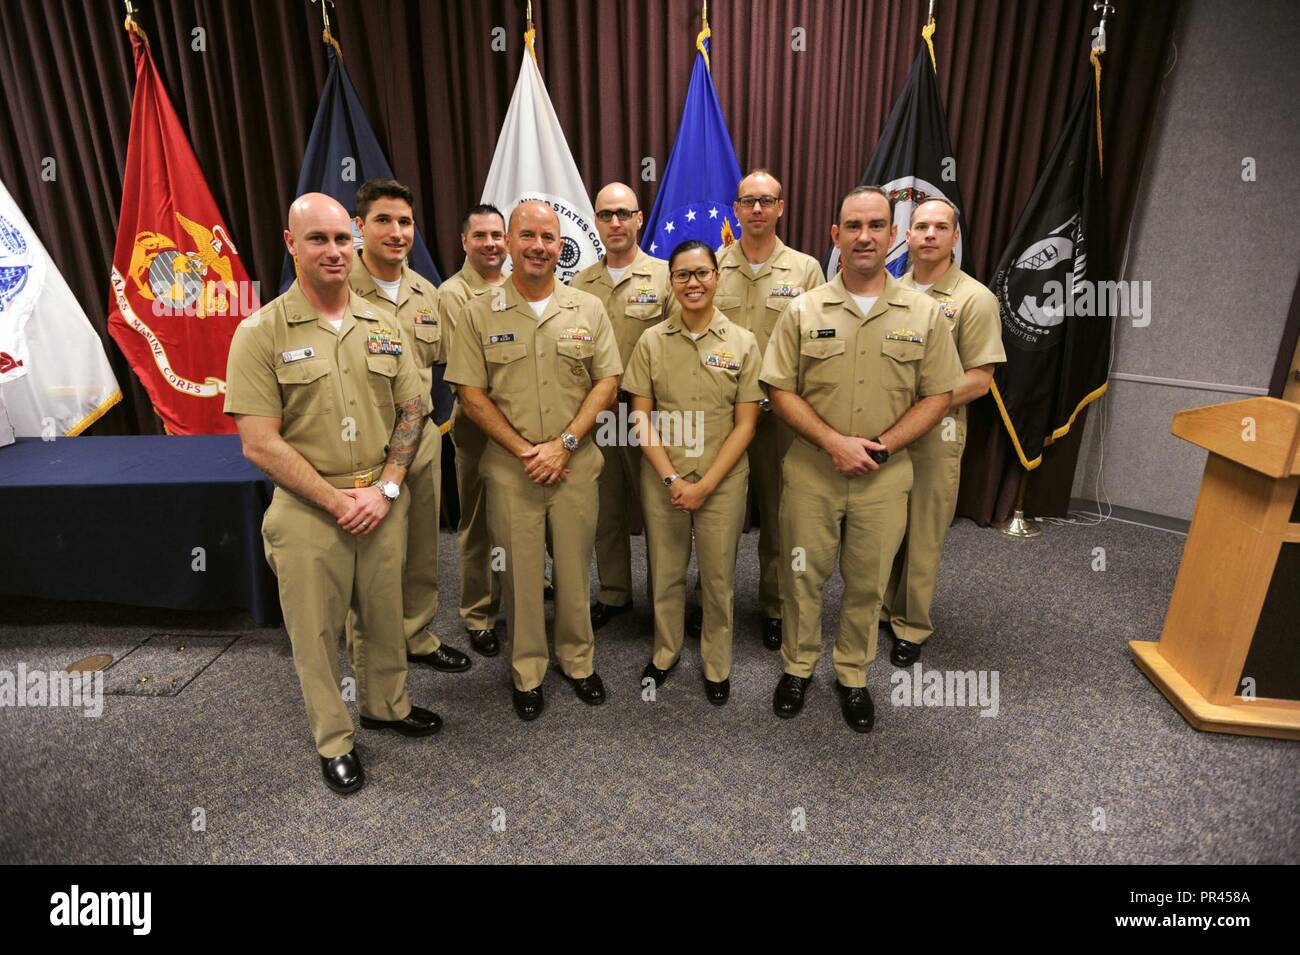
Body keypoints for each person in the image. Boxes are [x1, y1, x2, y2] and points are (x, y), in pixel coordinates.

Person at [226, 193, 441, 795]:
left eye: (342, 239)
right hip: (307, 512)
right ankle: (335, 739)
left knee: (381, 617)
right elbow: (259, 444)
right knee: (316, 633)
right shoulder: (260, 332)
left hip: (378, 500)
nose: (334, 251)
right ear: (290, 244)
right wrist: (336, 501)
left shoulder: (386, 326)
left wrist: (388, 486)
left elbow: (411, 411)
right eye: (317, 239)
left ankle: (387, 705)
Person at [760, 186, 964, 733]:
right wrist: (833, 441)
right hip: (812, 472)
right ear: (836, 236)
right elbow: (778, 389)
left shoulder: (924, 314)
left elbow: (939, 395)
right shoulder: (803, 310)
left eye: (876, 225)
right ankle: (799, 667)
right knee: (801, 577)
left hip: (885, 473)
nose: (865, 236)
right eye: (853, 226)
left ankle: (852, 674)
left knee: (868, 583)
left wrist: (884, 444)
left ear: (892, 235)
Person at [445, 201, 621, 721]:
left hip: (574, 464)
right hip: (511, 469)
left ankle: (578, 660)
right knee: (519, 575)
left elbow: (607, 382)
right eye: (527, 236)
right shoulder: (479, 311)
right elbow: (469, 393)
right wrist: (526, 450)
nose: (538, 246)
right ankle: (527, 669)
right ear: (510, 242)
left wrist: (563, 444)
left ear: (559, 243)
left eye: (548, 237)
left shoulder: (587, 308)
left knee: (573, 568)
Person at [623, 240, 761, 704]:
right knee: (665, 570)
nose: (693, 283)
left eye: (701, 272)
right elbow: (639, 417)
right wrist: (672, 479)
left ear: (717, 277)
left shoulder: (743, 342)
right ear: (672, 282)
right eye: (682, 274)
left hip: (721, 480)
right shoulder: (650, 341)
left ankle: (716, 662)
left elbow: (746, 424)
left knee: (718, 577)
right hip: (664, 476)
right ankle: (665, 651)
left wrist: (704, 485)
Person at [347, 178, 471, 673]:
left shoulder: (426, 293)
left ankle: (417, 634)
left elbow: (447, 364)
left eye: (405, 222)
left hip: (418, 447)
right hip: (362, 452)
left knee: (422, 552)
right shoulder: (337, 288)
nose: (397, 232)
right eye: (384, 220)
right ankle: (376, 655)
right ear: (359, 227)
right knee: (374, 563)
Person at [884, 197, 1007, 666]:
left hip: (937, 435)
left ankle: (911, 625)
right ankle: (880, 610)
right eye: (921, 227)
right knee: (885, 527)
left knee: (923, 532)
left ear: (956, 237)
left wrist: (922, 406)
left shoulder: (974, 298)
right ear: (907, 237)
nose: (930, 234)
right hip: (888, 430)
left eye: (941, 227)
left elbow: (980, 379)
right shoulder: (892, 291)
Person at [712, 169, 825, 650]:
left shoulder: (806, 269)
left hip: (782, 417)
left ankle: (775, 605)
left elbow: (819, 344)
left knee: (782, 518)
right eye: (747, 201)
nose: (756, 209)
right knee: (716, 516)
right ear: (735, 210)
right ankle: (712, 603)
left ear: (781, 207)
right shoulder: (711, 266)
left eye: (766, 200)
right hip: (722, 417)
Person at [571, 182, 674, 630]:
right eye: (606, 214)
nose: (615, 222)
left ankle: (663, 599)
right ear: (596, 222)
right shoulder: (579, 284)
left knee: (658, 512)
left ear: (639, 218)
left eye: (623, 213)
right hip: (597, 417)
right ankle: (614, 594)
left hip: (649, 417)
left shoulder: (667, 275)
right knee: (606, 510)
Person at [439, 204, 509, 656]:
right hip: (480, 429)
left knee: (522, 519)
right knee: (479, 523)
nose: (490, 244)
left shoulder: (521, 285)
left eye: (497, 235)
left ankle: (525, 589)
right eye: (480, 236)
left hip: (529, 427)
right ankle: (480, 613)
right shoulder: (453, 295)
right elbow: (467, 377)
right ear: (464, 241)